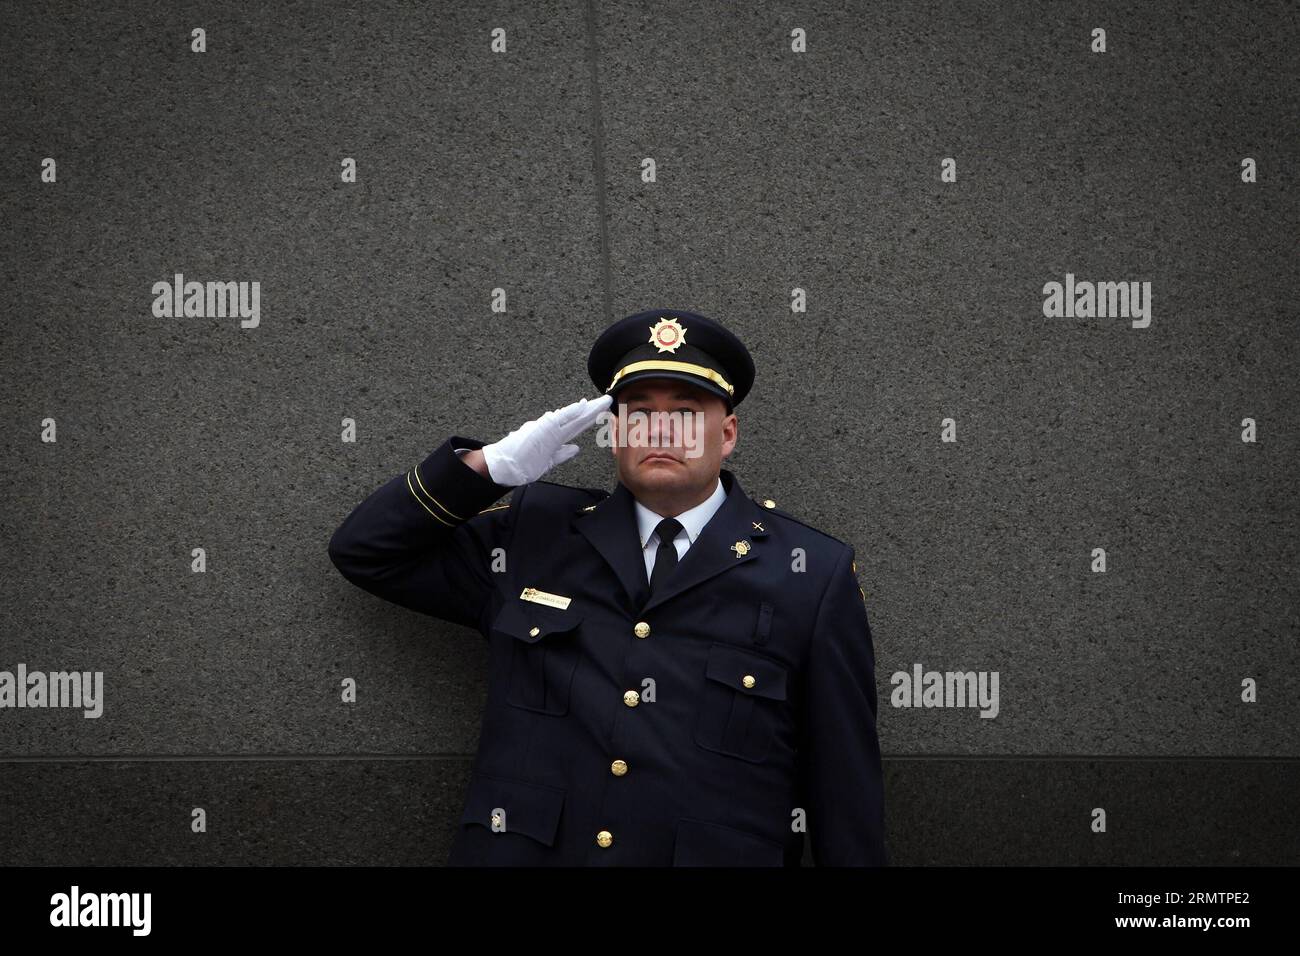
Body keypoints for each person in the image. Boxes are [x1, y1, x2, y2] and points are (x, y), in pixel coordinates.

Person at [327, 308, 886, 865]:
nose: (661, 431)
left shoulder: (809, 570)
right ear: (614, 432)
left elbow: (844, 790)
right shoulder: (534, 535)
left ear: (728, 433)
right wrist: (487, 468)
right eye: (638, 415)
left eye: (687, 414)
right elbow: (367, 552)